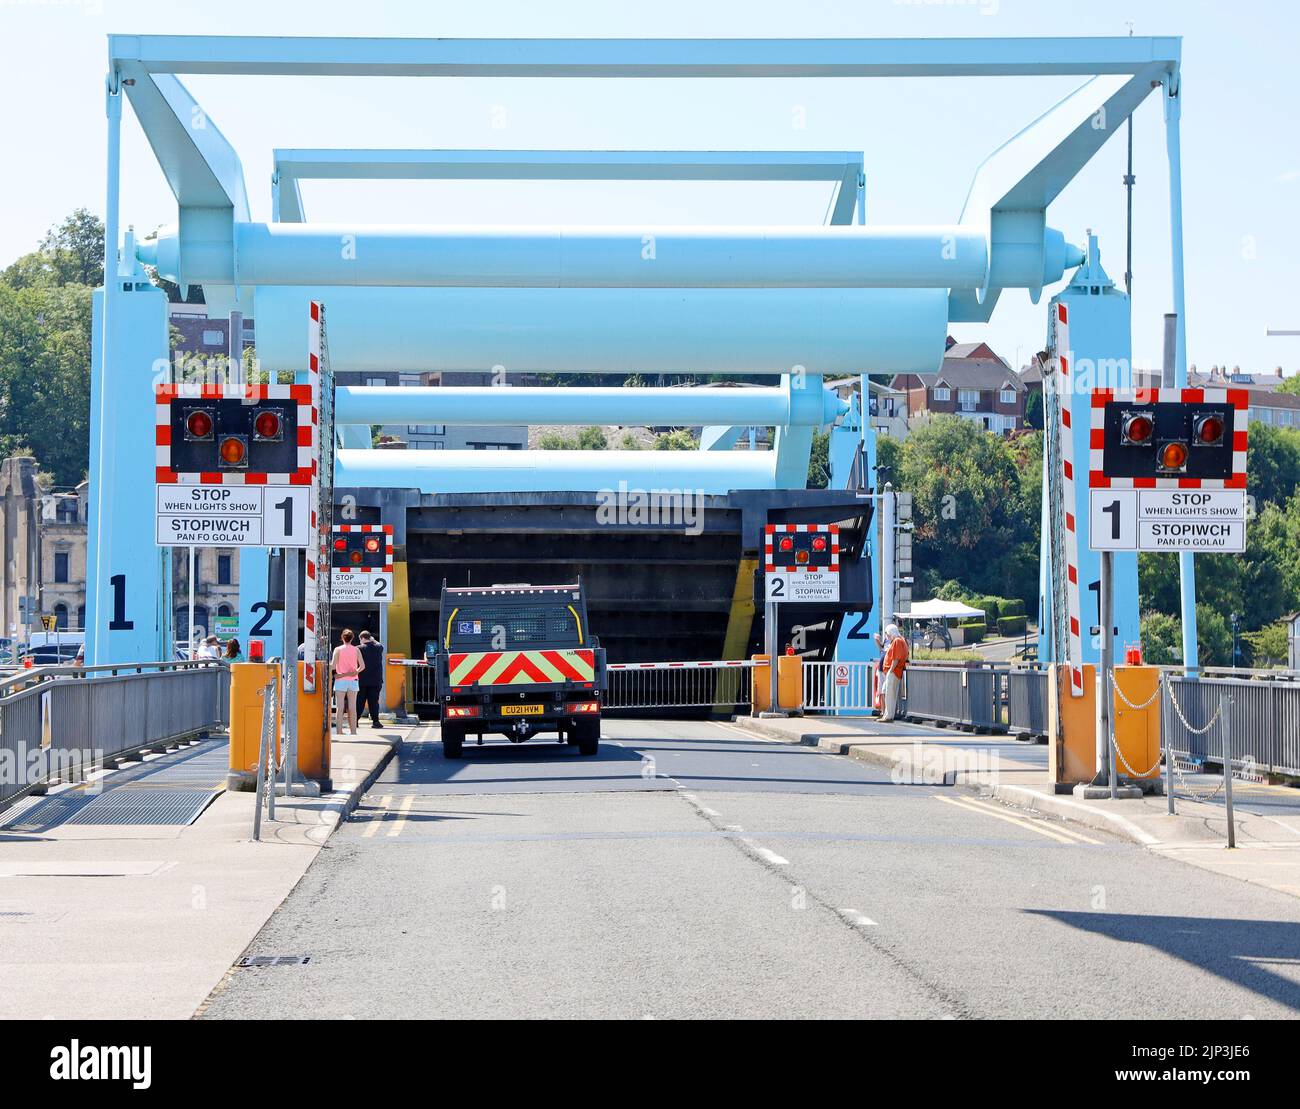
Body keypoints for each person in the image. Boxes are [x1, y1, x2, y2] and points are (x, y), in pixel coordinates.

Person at [331, 629, 365, 736]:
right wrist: (355, 672)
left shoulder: (338, 649)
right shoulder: (356, 650)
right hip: (353, 681)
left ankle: (339, 731)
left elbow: (332, 666)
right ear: (352, 638)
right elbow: (362, 666)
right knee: (352, 707)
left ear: (342, 638)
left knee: (340, 708)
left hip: (340, 680)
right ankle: (353, 731)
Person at [875, 623, 909, 723]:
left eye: (888, 634)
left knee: (889, 694)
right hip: (893, 671)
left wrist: (890, 670)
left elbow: (896, 658)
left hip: (893, 672)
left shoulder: (897, 641)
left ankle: (889, 716)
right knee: (886, 692)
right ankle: (887, 714)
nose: (887, 636)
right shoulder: (899, 640)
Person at [356, 630, 385, 728]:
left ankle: (355, 721)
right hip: (376, 680)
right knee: (374, 702)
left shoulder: (358, 648)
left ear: (361, 638)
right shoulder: (378, 647)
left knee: (360, 701)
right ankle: (376, 722)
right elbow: (380, 644)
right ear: (370, 638)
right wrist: (373, 640)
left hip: (362, 680)